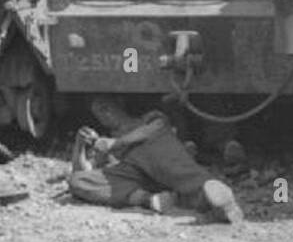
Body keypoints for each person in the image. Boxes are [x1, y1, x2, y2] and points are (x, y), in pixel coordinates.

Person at [64, 96, 243, 224]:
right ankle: (152, 200)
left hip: (153, 153)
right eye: (98, 113)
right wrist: (79, 146)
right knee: (77, 181)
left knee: (170, 164)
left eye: (105, 106)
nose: (104, 114)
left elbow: (155, 128)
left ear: (119, 103)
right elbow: (83, 171)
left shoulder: (148, 120)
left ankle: (218, 202)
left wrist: (116, 143)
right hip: (133, 175)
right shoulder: (105, 141)